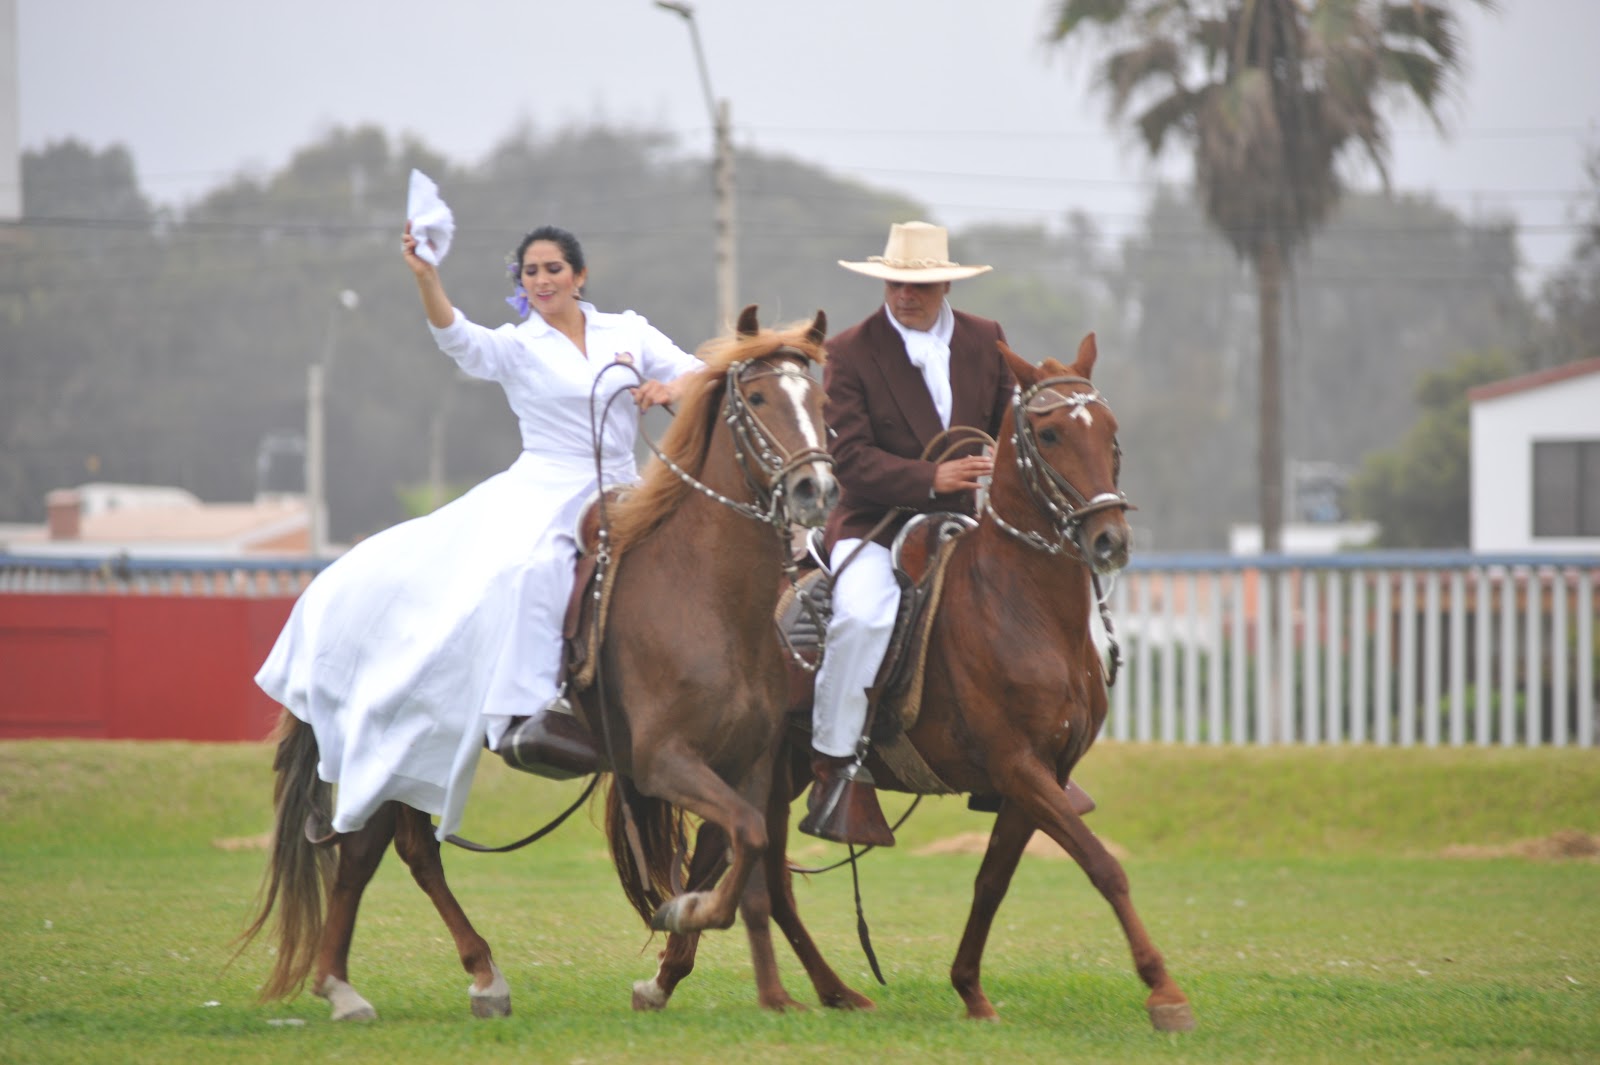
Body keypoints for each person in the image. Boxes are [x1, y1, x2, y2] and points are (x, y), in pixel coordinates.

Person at [255, 222, 704, 842]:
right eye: (530, 272)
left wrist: (668, 385)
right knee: (531, 572)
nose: (542, 280)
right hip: (549, 490)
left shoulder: (627, 330)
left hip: (627, 487)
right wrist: (427, 278)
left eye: (552, 269)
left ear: (580, 274)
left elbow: (700, 371)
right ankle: (536, 709)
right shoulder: (518, 347)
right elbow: (457, 339)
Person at [803, 221, 1090, 845]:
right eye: (898, 282)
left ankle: (1030, 754)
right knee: (863, 618)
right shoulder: (850, 351)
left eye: (922, 284)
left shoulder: (987, 339)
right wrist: (934, 475)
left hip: (963, 523)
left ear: (944, 284)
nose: (907, 294)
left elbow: (1010, 429)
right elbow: (849, 459)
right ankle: (835, 766)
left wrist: (997, 466)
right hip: (873, 524)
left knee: (1030, 614)